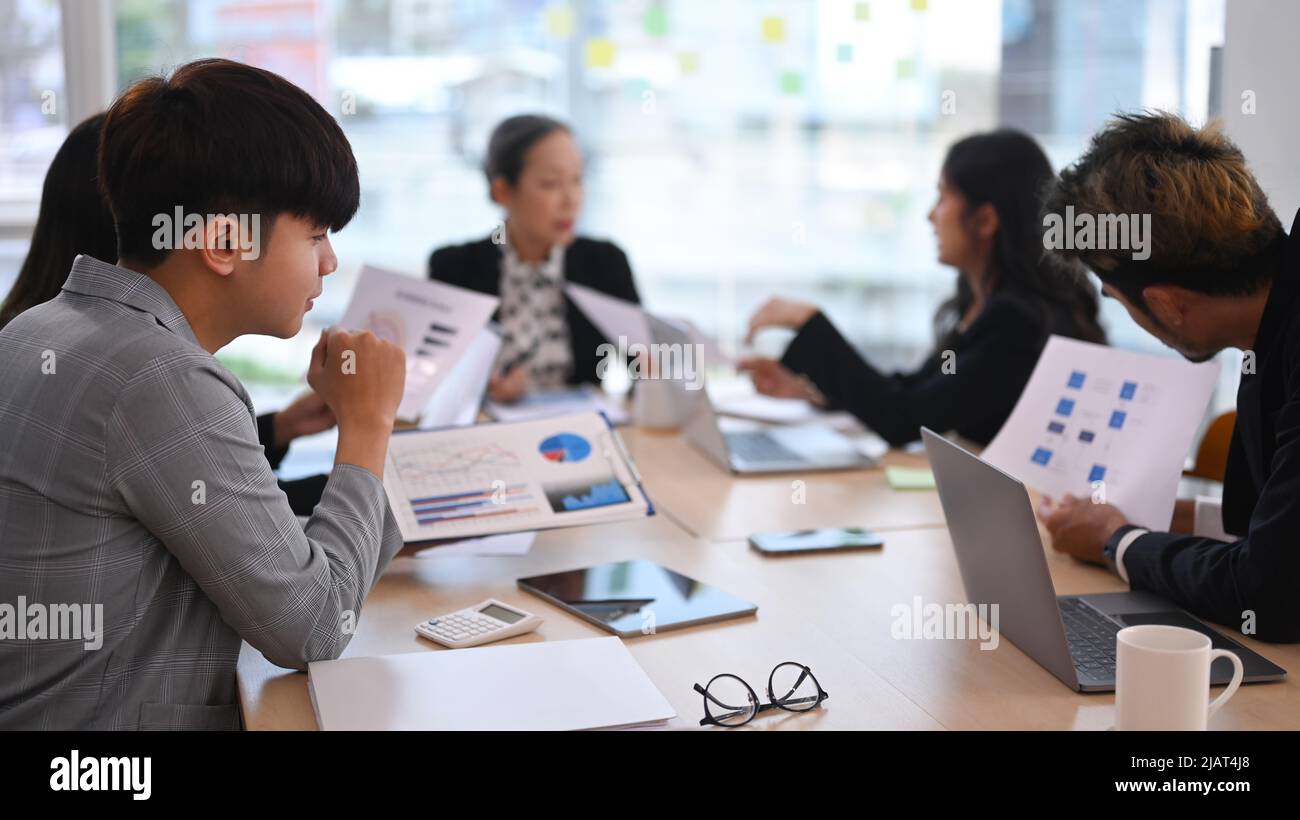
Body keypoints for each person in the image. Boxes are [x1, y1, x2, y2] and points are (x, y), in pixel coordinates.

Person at [0, 58, 407, 729]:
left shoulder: (38, 329)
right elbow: (313, 627)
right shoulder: (160, 376)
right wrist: (367, 423)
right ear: (223, 243)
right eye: (314, 235)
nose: (330, 262)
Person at [1038, 112, 1300, 642]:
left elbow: (1270, 591)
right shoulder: (1273, 319)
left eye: (1118, 300)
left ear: (1167, 304)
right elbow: (1272, 534)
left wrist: (1116, 539)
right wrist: (1171, 519)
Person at [0, 112, 333, 516]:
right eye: (314, 236)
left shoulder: (26, 332)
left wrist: (280, 428)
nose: (329, 262)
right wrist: (370, 439)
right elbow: (284, 566)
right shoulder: (149, 371)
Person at [740, 129, 1107, 447]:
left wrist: (810, 322)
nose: (931, 215)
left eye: (943, 197)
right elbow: (914, 391)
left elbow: (905, 418)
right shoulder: (979, 305)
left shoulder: (1017, 323)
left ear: (985, 220)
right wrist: (811, 390)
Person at [428, 114, 640, 403]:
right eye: (551, 183)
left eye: (577, 180)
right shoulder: (454, 268)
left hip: (581, 435)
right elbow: (434, 384)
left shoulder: (605, 262)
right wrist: (485, 390)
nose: (571, 199)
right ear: (502, 191)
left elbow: (643, 371)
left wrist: (660, 373)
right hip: (489, 434)